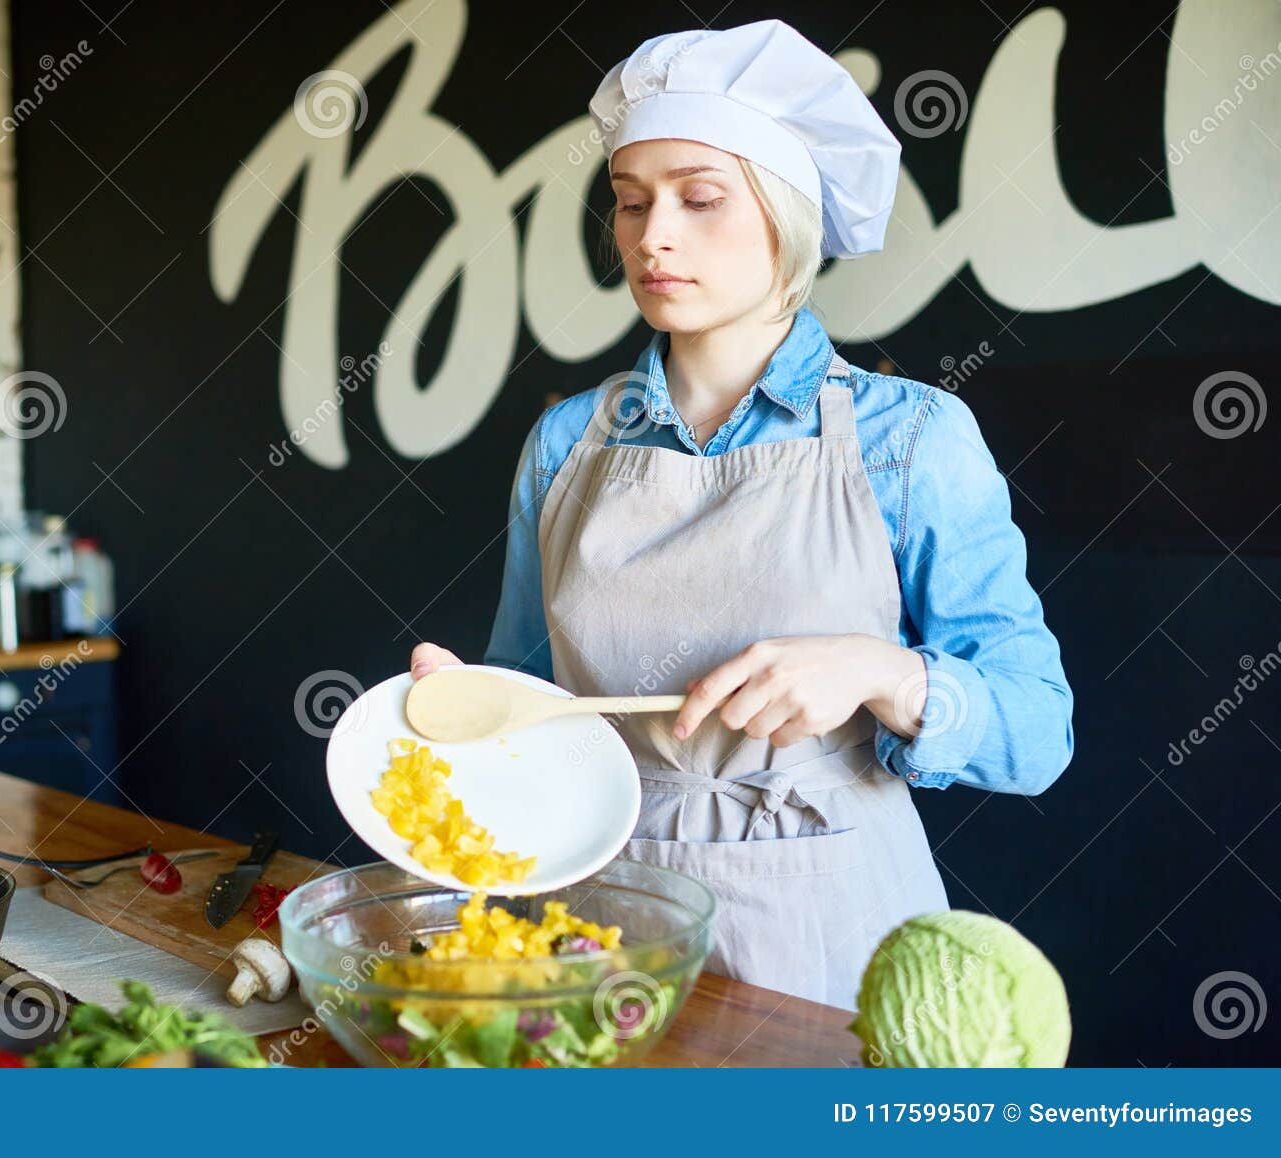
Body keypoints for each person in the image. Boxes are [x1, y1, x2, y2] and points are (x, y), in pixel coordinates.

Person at [411, 19, 1073, 1009]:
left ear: (788, 219)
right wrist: (467, 714)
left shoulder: (912, 439)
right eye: (630, 203)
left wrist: (883, 674)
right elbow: (533, 705)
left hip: (841, 945)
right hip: (611, 933)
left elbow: (1037, 732)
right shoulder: (563, 444)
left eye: (699, 199)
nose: (651, 235)